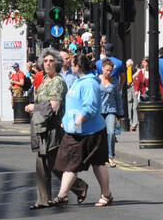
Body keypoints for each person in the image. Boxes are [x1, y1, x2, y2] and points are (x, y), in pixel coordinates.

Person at [27, 49, 89, 209]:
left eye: (51, 61)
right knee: (42, 163)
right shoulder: (46, 79)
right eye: (45, 61)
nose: (48, 63)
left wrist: (34, 106)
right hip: (42, 127)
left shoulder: (57, 82)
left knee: (55, 164)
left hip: (54, 128)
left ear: (57, 63)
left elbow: (53, 107)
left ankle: (80, 187)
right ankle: (43, 199)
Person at [50, 53, 113, 206]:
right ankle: (62, 196)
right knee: (70, 164)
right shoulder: (80, 81)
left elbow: (90, 108)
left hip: (90, 132)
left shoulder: (89, 83)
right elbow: (74, 105)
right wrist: (67, 121)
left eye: (72, 65)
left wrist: (76, 123)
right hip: (77, 131)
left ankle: (106, 195)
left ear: (77, 67)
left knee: (98, 164)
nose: (70, 67)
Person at [98, 58, 125, 167]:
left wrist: (120, 113)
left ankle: (110, 156)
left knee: (111, 133)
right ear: (102, 68)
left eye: (110, 70)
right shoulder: (96, 80)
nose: (108, 72)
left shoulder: (114, 81)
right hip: (99, 111)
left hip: (111, 110)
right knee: (99, 135)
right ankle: (99, 156)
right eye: (107, 70)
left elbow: (118, 98)